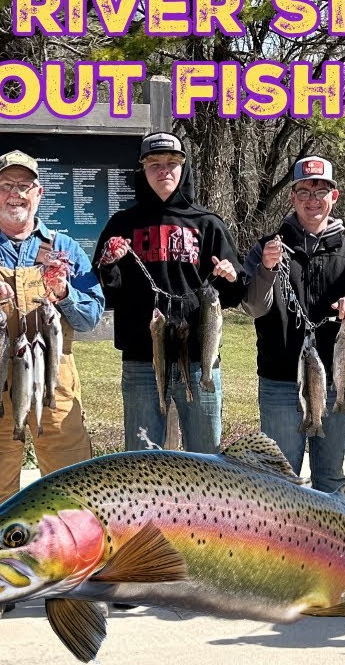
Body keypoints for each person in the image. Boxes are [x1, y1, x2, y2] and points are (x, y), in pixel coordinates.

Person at [0, 150, 104, 624]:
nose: (16, 195)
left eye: (25, 186)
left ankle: (72, 575)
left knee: (69, 483)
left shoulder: (66, 248)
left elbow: (92, 316)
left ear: (39, 194)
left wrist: (66, 293)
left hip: (55, 384)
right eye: (7, 186)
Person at [93, 132, 247, 454]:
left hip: (199, 356)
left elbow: (234, 295)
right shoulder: (122, 224)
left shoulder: (207, 224)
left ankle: (203, 506)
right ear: (142, 171)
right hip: (142, 358)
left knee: (205, 453)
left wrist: (231, 277)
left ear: (184, 169)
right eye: (155, 165)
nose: (164, 171)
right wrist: (108, 265)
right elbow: (108, 295)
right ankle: (147, 506)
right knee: (141, 453)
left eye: (172, 164)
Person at [242, 155, 345, 493]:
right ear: (292, 198)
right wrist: (267, 269)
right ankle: (283, 546)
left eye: (320, 192)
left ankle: (327, 547)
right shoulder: (268, 248)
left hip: (335, 382)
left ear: (335, 196)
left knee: (330, 479)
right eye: (304, 192)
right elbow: (254, 306)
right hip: (279, 383)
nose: (312, 201)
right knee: (279, 482)